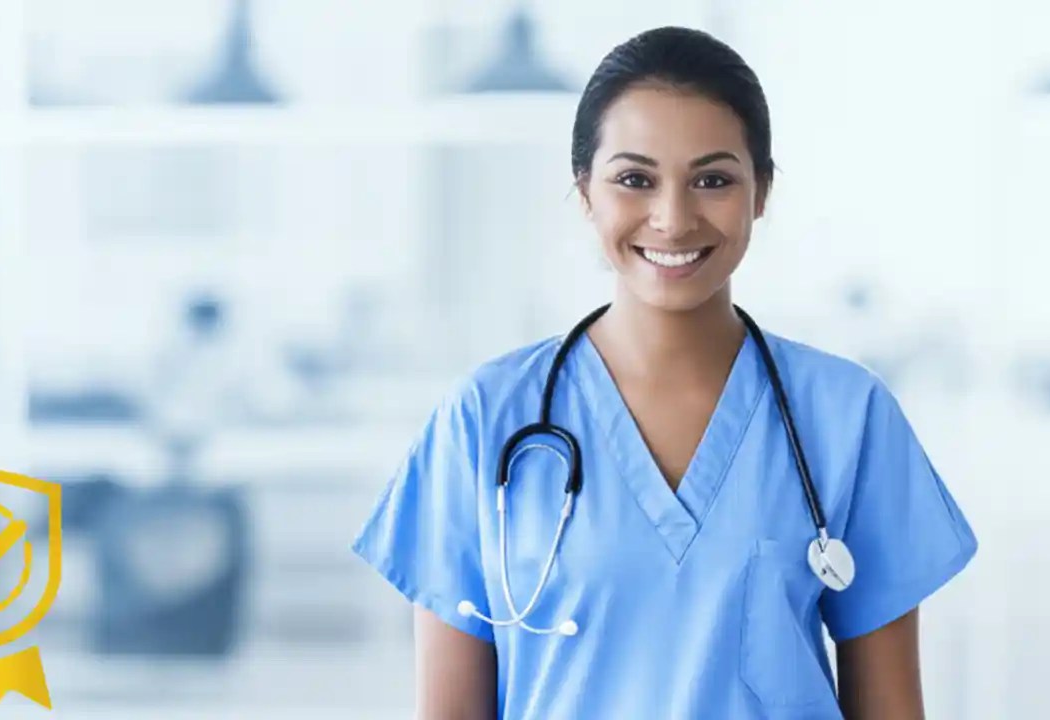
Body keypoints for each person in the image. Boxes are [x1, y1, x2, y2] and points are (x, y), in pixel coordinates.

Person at [351, 26, 977, 719]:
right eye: (634, 179)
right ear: (584, 190)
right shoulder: (485, 418)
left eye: (713, 179)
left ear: (761, 190)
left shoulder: (846, 416)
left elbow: (890, 709)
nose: (673, 218)